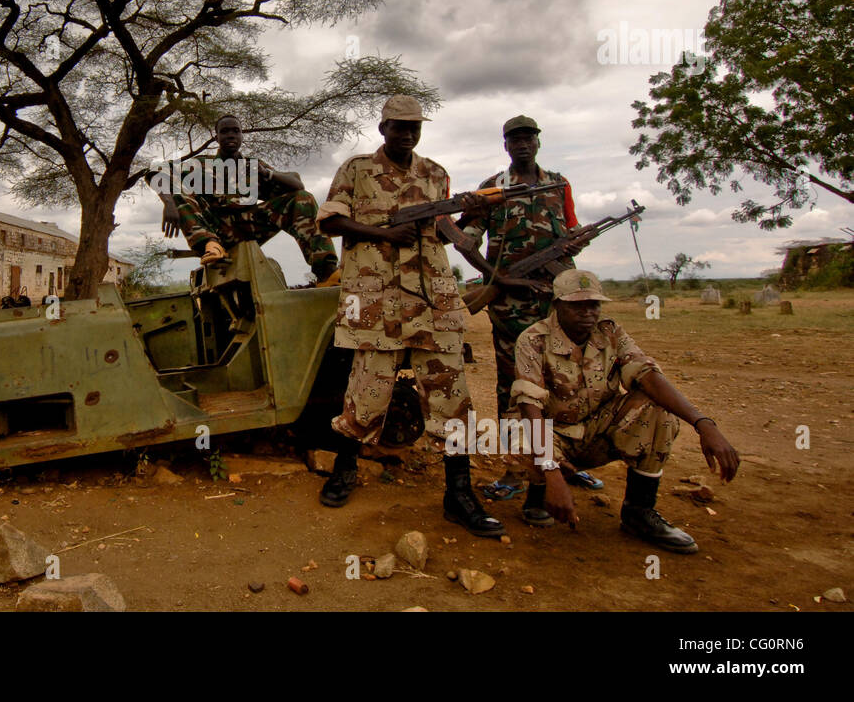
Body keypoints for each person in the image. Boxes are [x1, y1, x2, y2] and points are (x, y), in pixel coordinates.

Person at [314, 94, 504, 537]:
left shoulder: (435, 174)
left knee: (451, 395)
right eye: (399, 125)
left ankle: (459, 494)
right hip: (376, 300)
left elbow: (449, 234)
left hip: (431, 301)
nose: (407, 133)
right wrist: (382, 232)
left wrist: (474, 217)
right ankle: (345, 469)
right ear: (383, 128)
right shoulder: (356, 169)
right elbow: (331, 222)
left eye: (414, 126)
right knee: (366, 391)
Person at [512, 269, 740, 553]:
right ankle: (539, 493)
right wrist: (551, 470)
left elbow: (647, 376)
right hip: (550, 434)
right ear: (557, 305)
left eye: (593, 304)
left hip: (596, 428)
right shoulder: (533, 340)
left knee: (656, 409)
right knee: (517, 435)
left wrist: (704, 423)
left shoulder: (610, 332)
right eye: (577, 305)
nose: (588, 313)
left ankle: (639, 512)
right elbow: (529, 405)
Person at [455, 115, 598, 500]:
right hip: (511, 306)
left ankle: (564, 462)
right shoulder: (493, 188)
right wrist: (498, 278)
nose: (522, 144)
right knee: (514, 387)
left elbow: (570, 230)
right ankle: (517, 469)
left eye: (528, 138)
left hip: (558, 303)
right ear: (506, 146)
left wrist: (573, 244)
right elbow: (464, 241)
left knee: (565, 380)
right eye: (514, 139)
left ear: (538, 143)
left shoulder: (558, 184)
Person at [154, 114, 339, 285]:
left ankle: (326, 272)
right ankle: (209, 245)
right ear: (216, 137)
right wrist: (168, 204)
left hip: (248, 227)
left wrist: (267, 173)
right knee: (175, 188)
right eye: (224, 131)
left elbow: (297, 186)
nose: (231, 135)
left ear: (242, 136)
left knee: (302, 199)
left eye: (236, 131)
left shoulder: (253, 166)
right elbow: (156, 171)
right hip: (214, 231)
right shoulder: (201, 165)